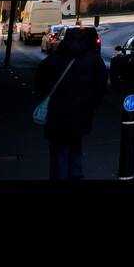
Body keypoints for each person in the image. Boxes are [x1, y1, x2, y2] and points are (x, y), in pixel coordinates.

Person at [33, 26, 106, 180]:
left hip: (57, 115)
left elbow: (39, 85)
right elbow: (100, 87)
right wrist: (91, 106)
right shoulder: (93, 60)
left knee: (59, 152)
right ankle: (76, 176)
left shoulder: (53, 59)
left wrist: (46, 102)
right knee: (75, 147)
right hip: (81, 115)